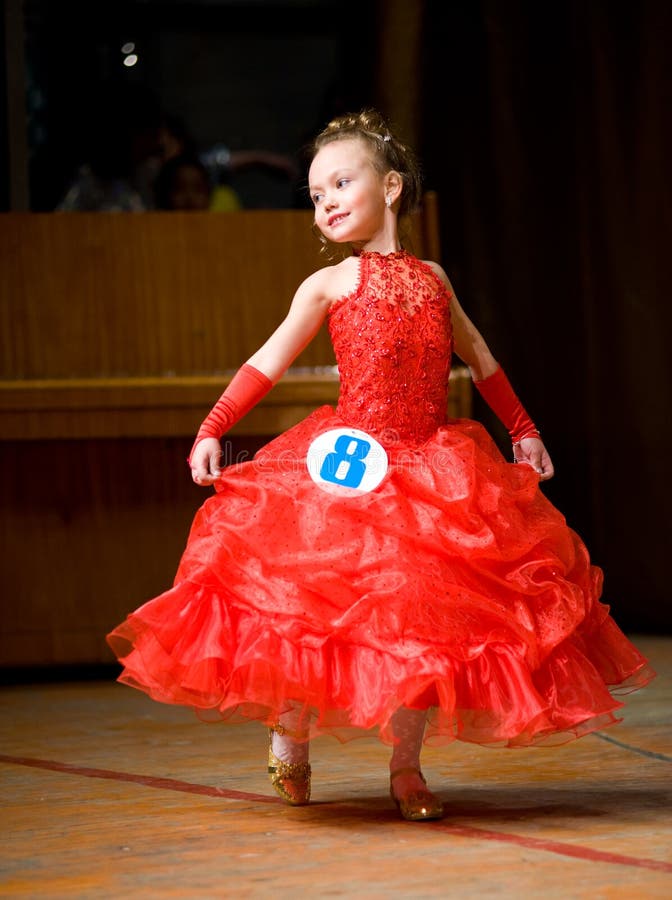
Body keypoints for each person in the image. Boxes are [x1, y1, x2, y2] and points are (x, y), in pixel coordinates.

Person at [107, 110, 653, 822]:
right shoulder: (329, 285)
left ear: (391, 186)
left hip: (433, 470)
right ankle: (290, 734)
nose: (326, 200)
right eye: (313, 193)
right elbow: (266, 362)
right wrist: (214, 427)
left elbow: (481, 360)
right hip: (348, 466)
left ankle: (407, 768)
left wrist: (523, 430)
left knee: (423, 630)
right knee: (311, 607)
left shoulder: (433, 280)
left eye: (340, 182)